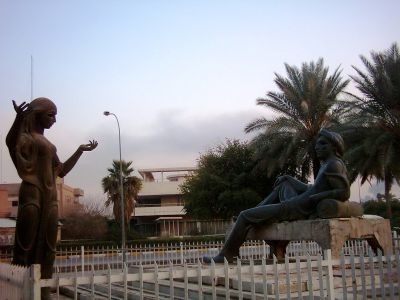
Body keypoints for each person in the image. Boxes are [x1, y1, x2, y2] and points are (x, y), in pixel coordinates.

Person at [204, 130, 350, 263]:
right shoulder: (328, 164)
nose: (318, 147)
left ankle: (228, 254)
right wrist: (288, 177)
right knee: (283, 184)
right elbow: (308, 189)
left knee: (244, 215)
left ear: (334, 147)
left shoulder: (333, 165)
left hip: (297, 208)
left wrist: (317, 197)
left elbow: (344, 192)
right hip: (300, 202)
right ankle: (256, 211)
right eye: (317, 144)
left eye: (323, 144)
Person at [6, 98, 98, 299]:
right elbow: (11, 143)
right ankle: (20, 291)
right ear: (37, 115)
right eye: (51, 114)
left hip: (50, 198)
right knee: (25, 244)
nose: (55, 119)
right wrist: (18, 119)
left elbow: (61, 169)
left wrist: (80, 151)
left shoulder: (49, 144)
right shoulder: (27, 137)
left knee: (49, 246)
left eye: (56, 115)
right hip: (32, 194)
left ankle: (44, 291)